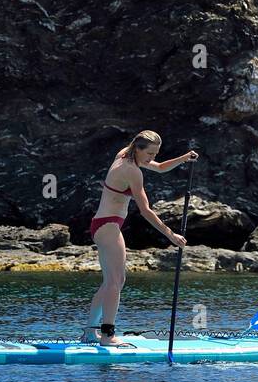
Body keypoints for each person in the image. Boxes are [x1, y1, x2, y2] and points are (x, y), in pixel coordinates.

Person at [82, 131, 197, 345]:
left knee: (110, 282)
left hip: (102, 224)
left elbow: (161, 168)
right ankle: (107, 337)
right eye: (149, 153)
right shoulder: (132, 171)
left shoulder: (124, 154)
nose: (151, 158)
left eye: (155, 153)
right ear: (138, 148)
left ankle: (90, 332)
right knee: (116, 282)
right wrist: (170, 235)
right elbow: (145, 211)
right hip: (108, 226)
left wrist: (183, 158)